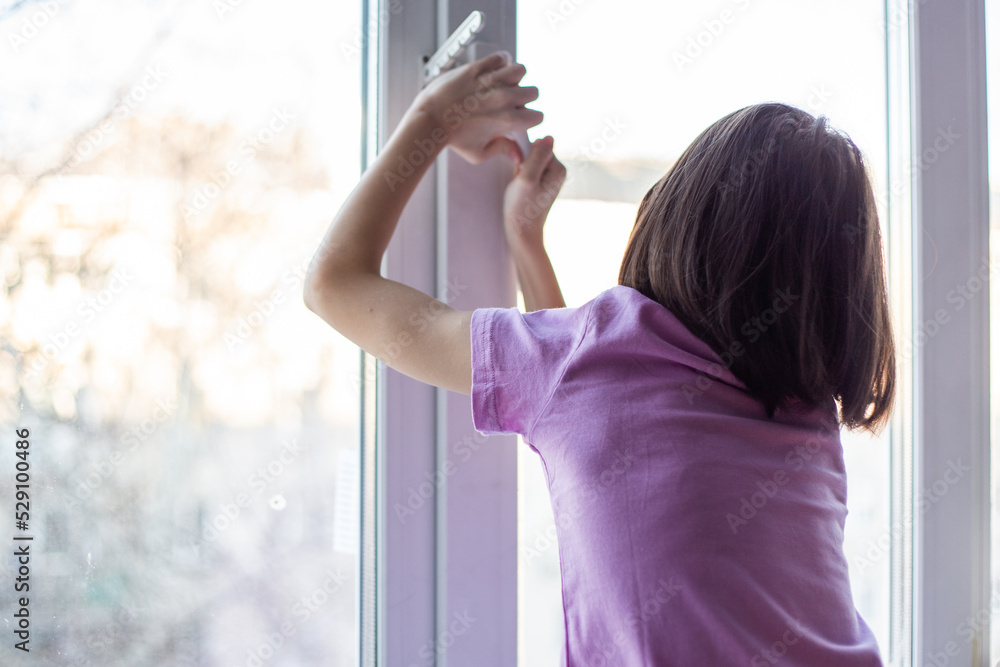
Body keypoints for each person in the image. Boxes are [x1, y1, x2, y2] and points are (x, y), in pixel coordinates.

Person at [303, 50, 893, 666]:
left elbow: (332, 286)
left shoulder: (592, 363)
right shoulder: (807, 417)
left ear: (681, 218)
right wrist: (526, 243)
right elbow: (592, 421)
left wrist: (433, 115)